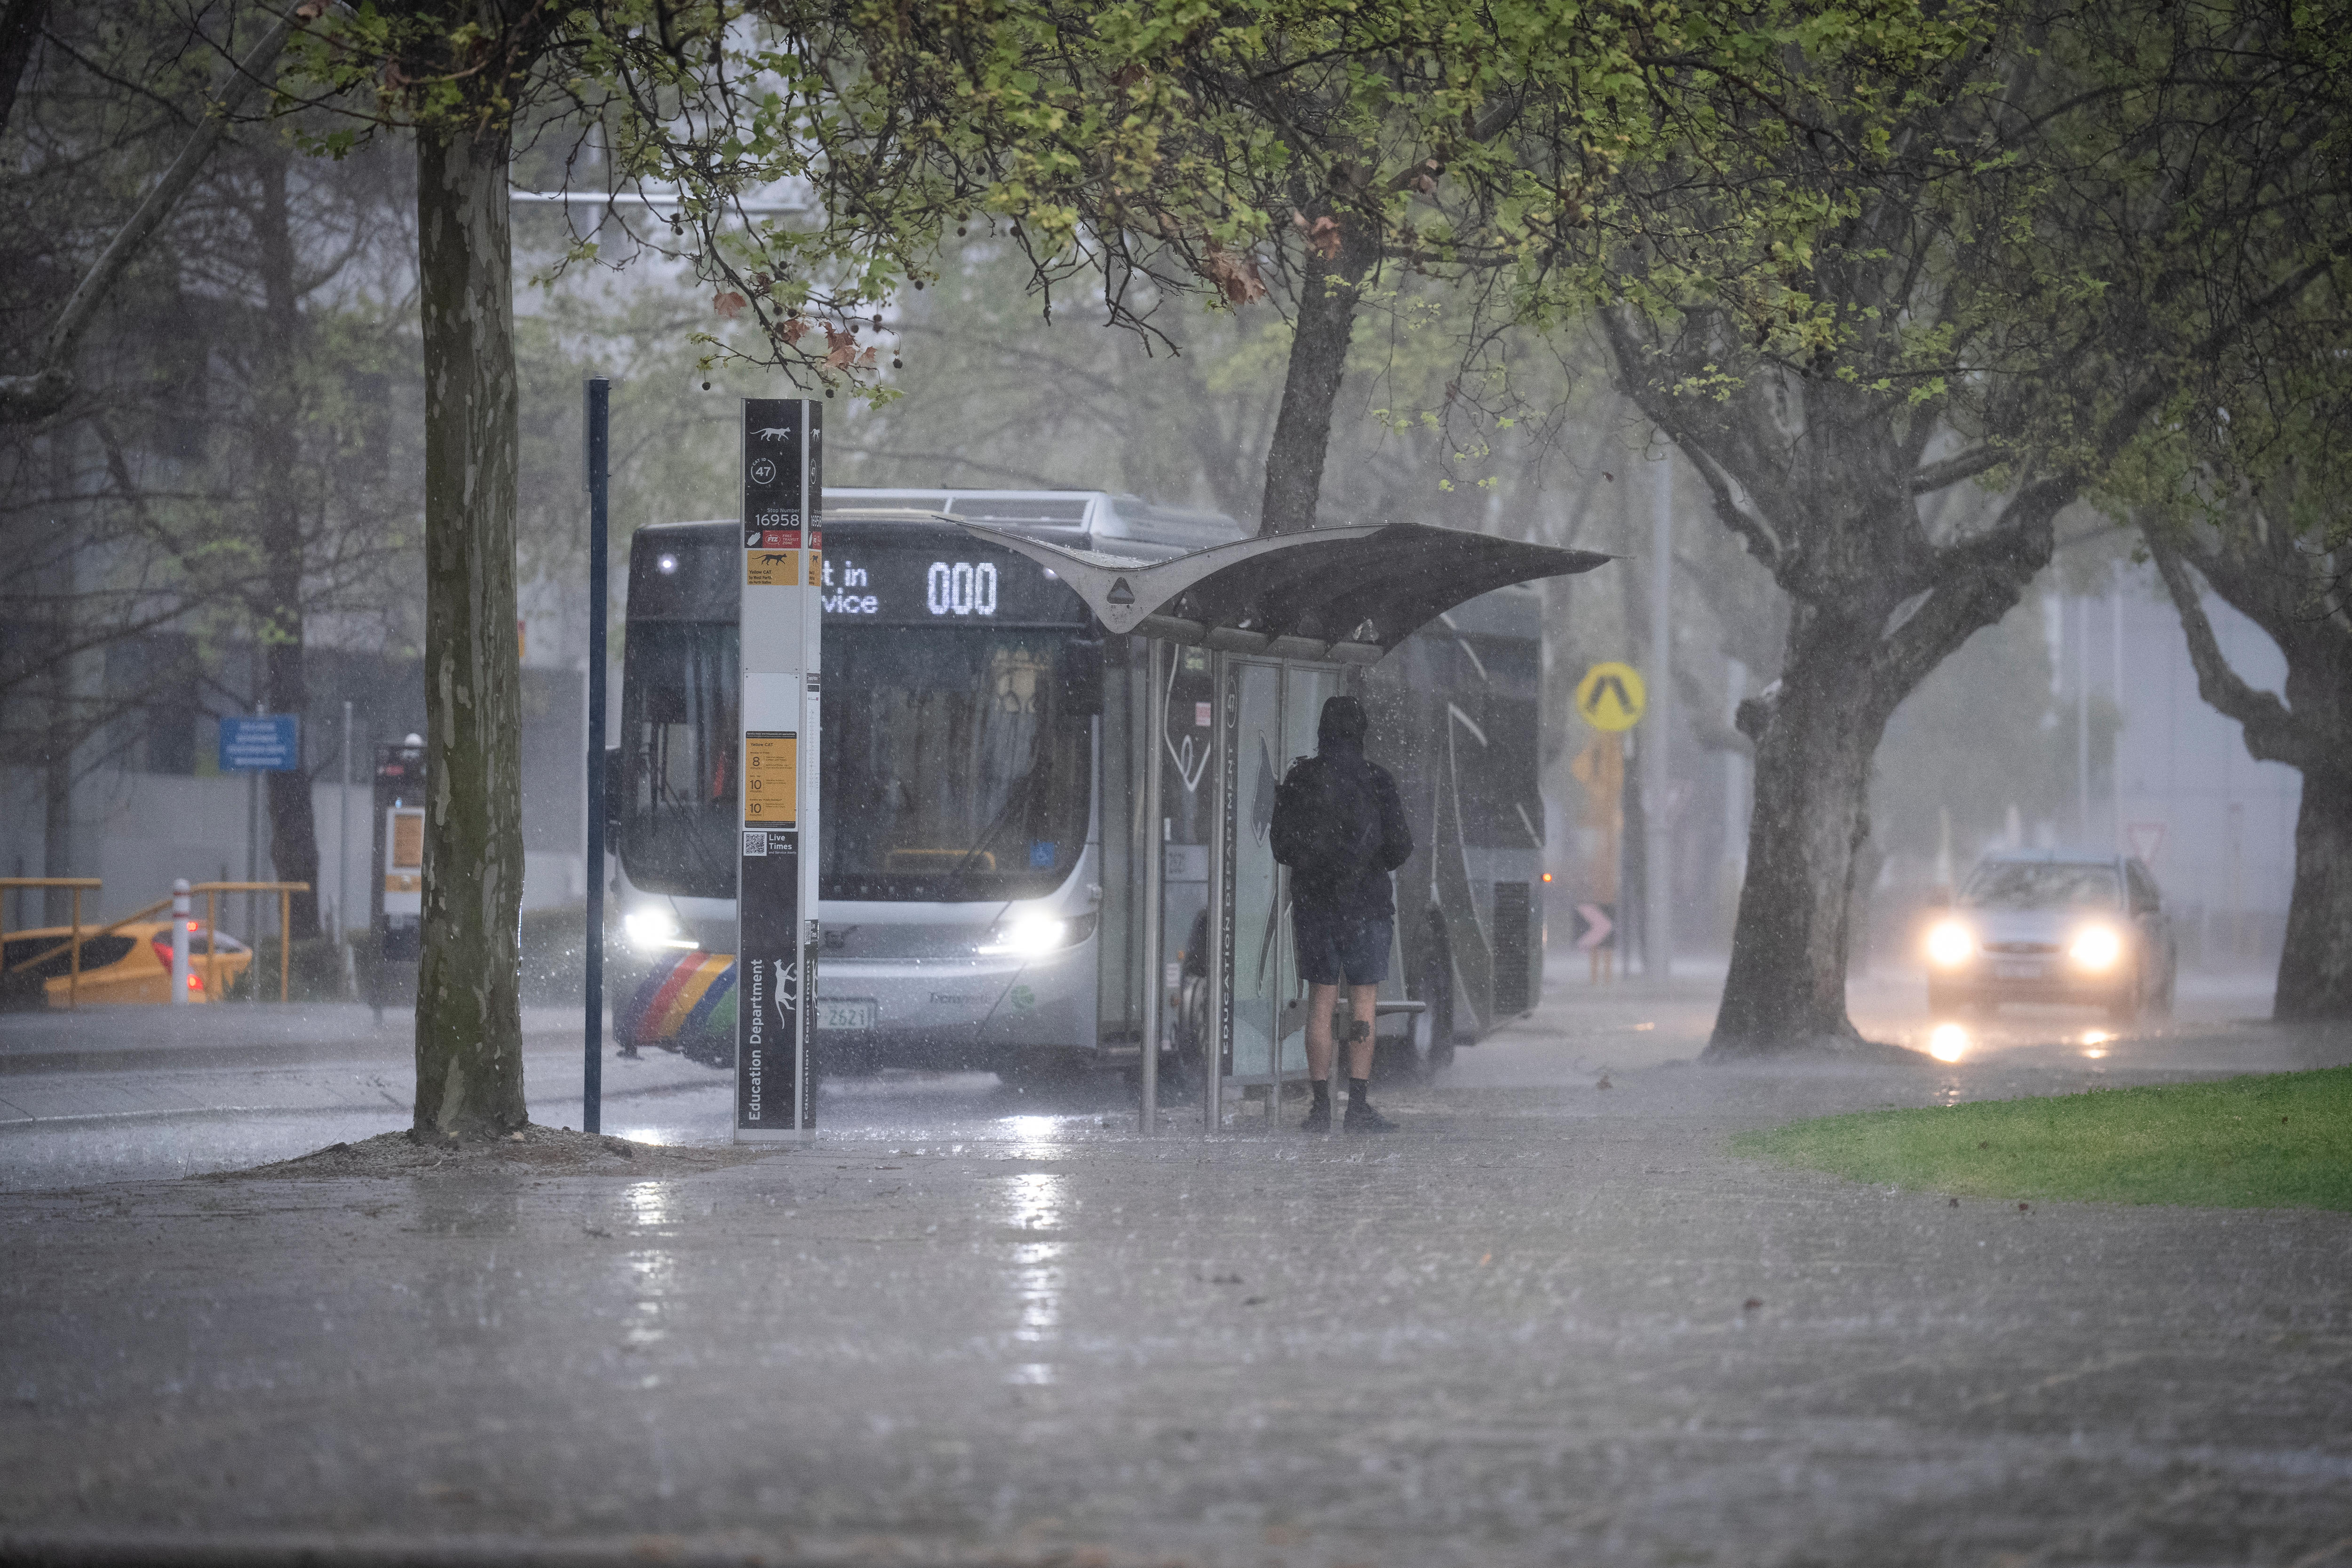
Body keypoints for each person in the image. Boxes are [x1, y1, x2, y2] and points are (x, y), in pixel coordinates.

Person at [1271, 694, 1414, 1132]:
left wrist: (1318, 867)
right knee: (1363, 1004)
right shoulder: (1377, 781)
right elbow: (1401, 847)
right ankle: (1359, 1106)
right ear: (1362, 733)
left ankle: (1319, 1109)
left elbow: (1281, 846)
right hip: (1366, 907)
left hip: (1316, 907)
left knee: (1322, 1000)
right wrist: (1366, 863)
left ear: (1322, 731)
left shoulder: (1301, 779)